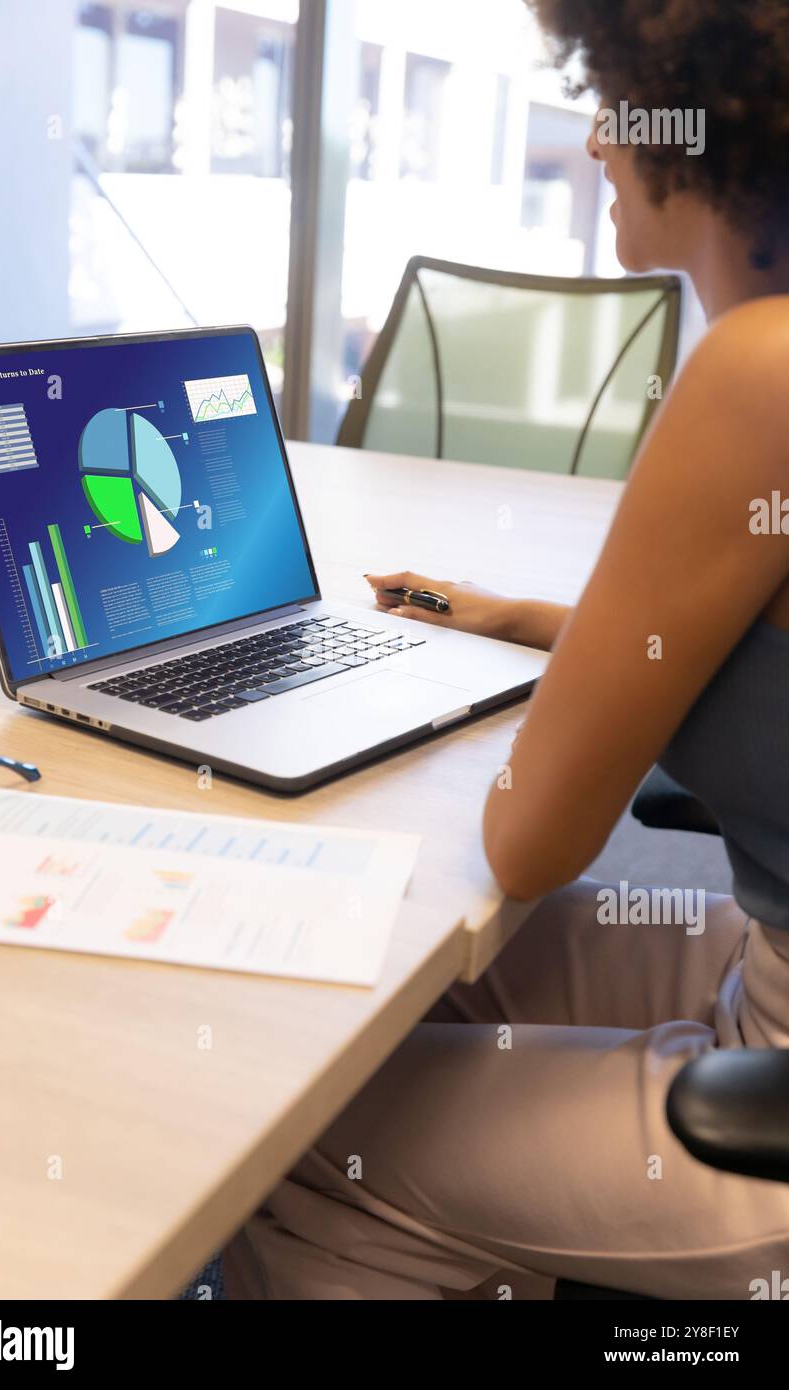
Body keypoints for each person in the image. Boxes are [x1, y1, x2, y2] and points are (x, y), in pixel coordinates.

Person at [224, 0, 789, 1299]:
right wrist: (524, 621)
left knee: (311, 1135)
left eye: (615, 105)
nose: (594, 144)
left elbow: (529, 841)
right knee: (387, 1013)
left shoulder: (756, 372)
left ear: (705, 127)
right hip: (757, 949)